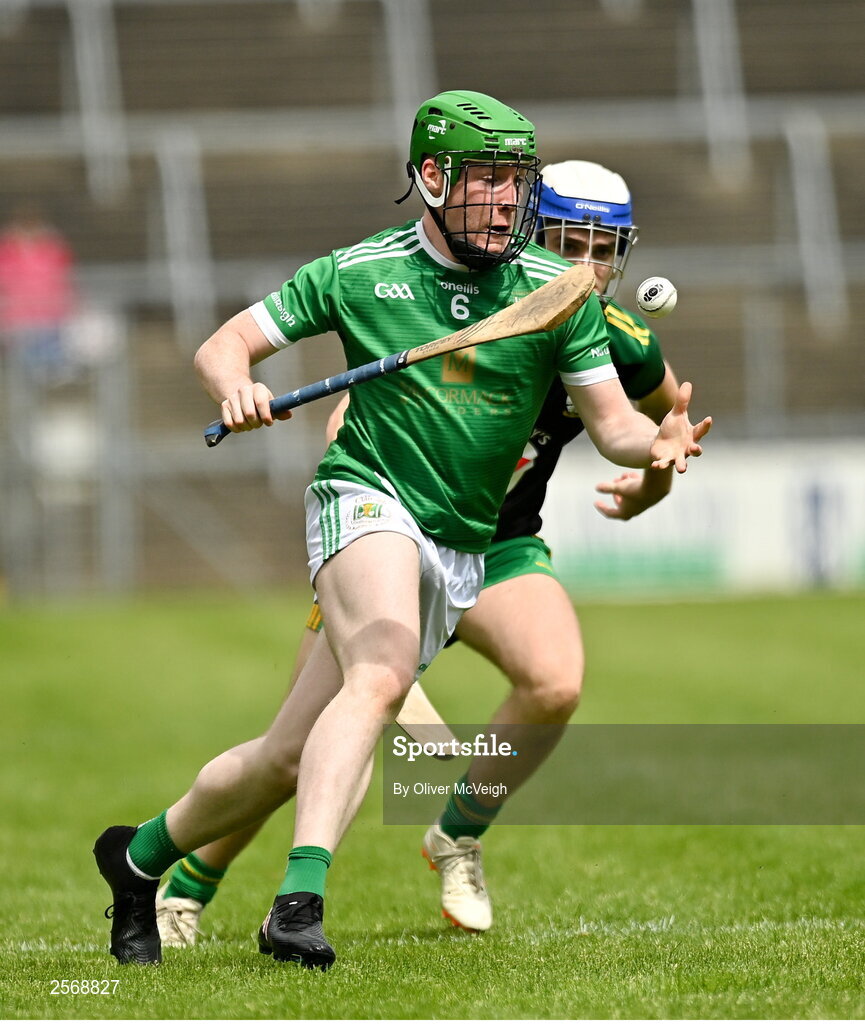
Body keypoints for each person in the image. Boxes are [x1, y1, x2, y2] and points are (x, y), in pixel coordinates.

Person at [93, 91, 710, 969]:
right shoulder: (358, 272)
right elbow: (223, 345)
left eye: (515, 183)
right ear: (431, 177)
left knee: (284, 758)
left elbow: (616, 425)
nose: (505, 200)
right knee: (378, 679)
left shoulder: (560, 298)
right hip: (370, 499)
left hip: (471, 544)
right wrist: (236, 386)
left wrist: (658, 447)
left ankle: (141, 858)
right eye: (486, 180)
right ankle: (297, 904)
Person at [0, 203, 78, 385]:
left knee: (49, 356)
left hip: (49, 312)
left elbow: (65, 276)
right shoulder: (7, 249)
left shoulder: (53, 247)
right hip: (18, 314)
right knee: (23, 361)